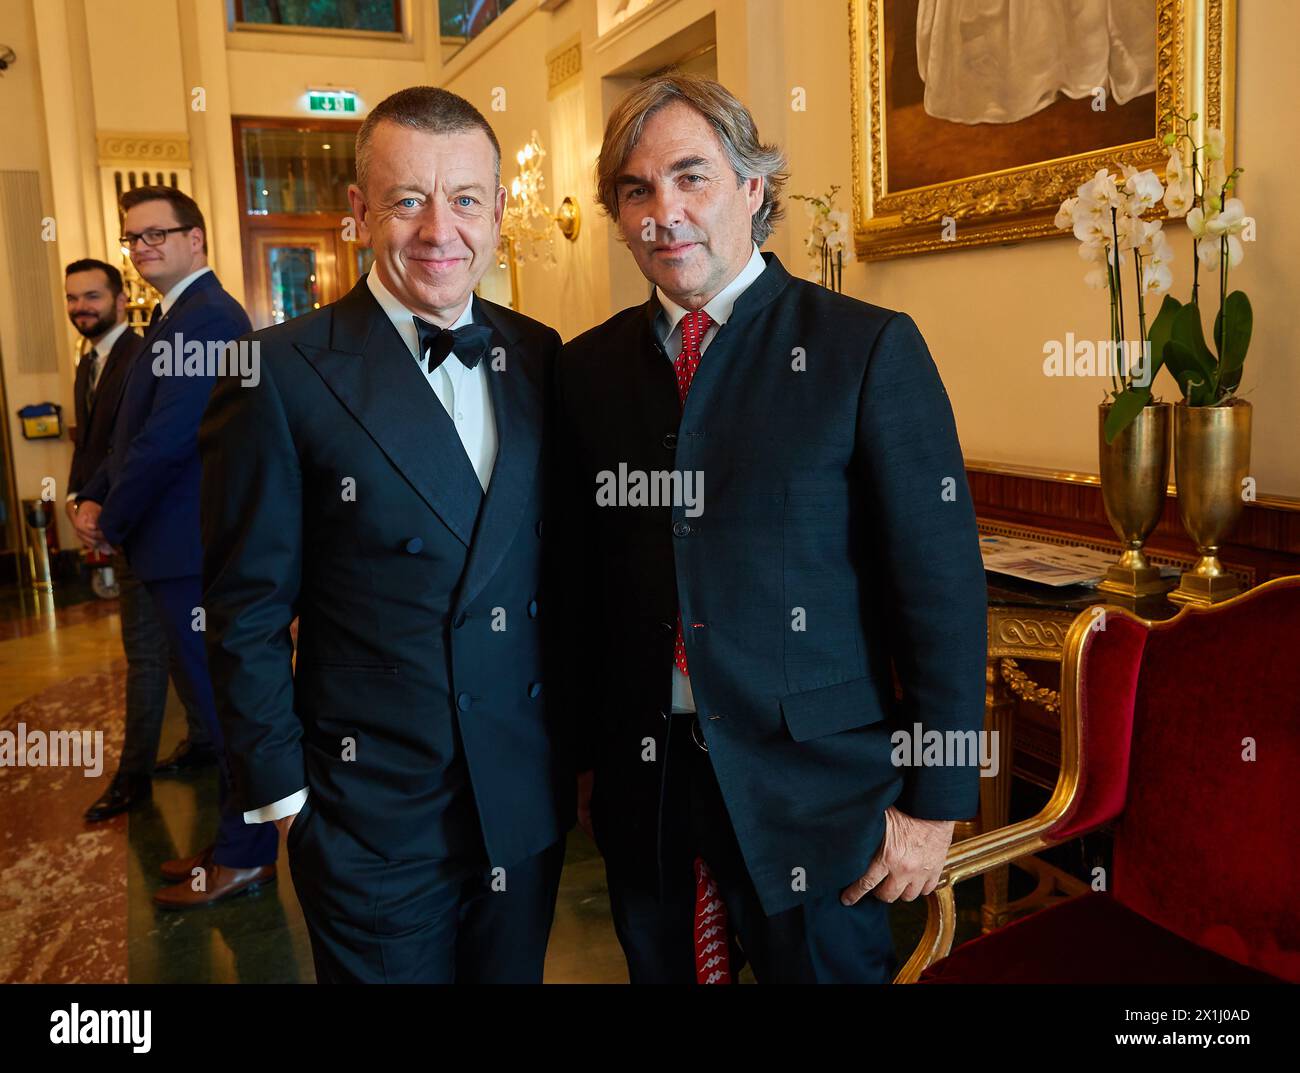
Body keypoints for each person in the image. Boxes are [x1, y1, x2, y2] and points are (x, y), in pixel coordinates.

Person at [555, 75, 988, 983]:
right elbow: (581, 588)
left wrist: (937, 803)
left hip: (824, 796)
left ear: (753, 189)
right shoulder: (586, 372)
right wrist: (589, 762)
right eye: (636, 190)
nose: (664, 212)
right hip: (652, 787)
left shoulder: (864, 347)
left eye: (690, 176)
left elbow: (941, 590)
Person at [199, 86, 572, 983]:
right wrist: (288, 801)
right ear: (359, 214)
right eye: (408, 200)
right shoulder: (277, 373)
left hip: (521, 807)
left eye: (466, 199)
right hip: (372, 818)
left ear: (499, 211)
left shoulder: (543, 354)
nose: (440, 230)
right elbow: (244, 610)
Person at [73, 187, 279, 907]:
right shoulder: (172, 318)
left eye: (158, 233)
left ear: (197, 239)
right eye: (133, 238)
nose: (143, 246)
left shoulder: (210, 316)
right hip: (170, 546)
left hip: (190, 548)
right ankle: (231, 842)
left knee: (222, 712)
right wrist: (94, 492)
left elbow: (166, 444)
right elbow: (132, 428)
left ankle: (249, 854)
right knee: (209, 706)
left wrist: (109, 515)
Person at [65, 259, 215, 823]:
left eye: (92, 296)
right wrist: (81, 498)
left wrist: (110, 515)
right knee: (166, 651)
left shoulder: (143, 348)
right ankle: (200, 742)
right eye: (73, 298)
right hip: (120, 515)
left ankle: (133, 776)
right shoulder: (88, 364)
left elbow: (158, 445)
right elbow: (102, 448)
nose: (82, 308)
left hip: (149, 523)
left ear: (120, 300)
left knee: (151, 655)